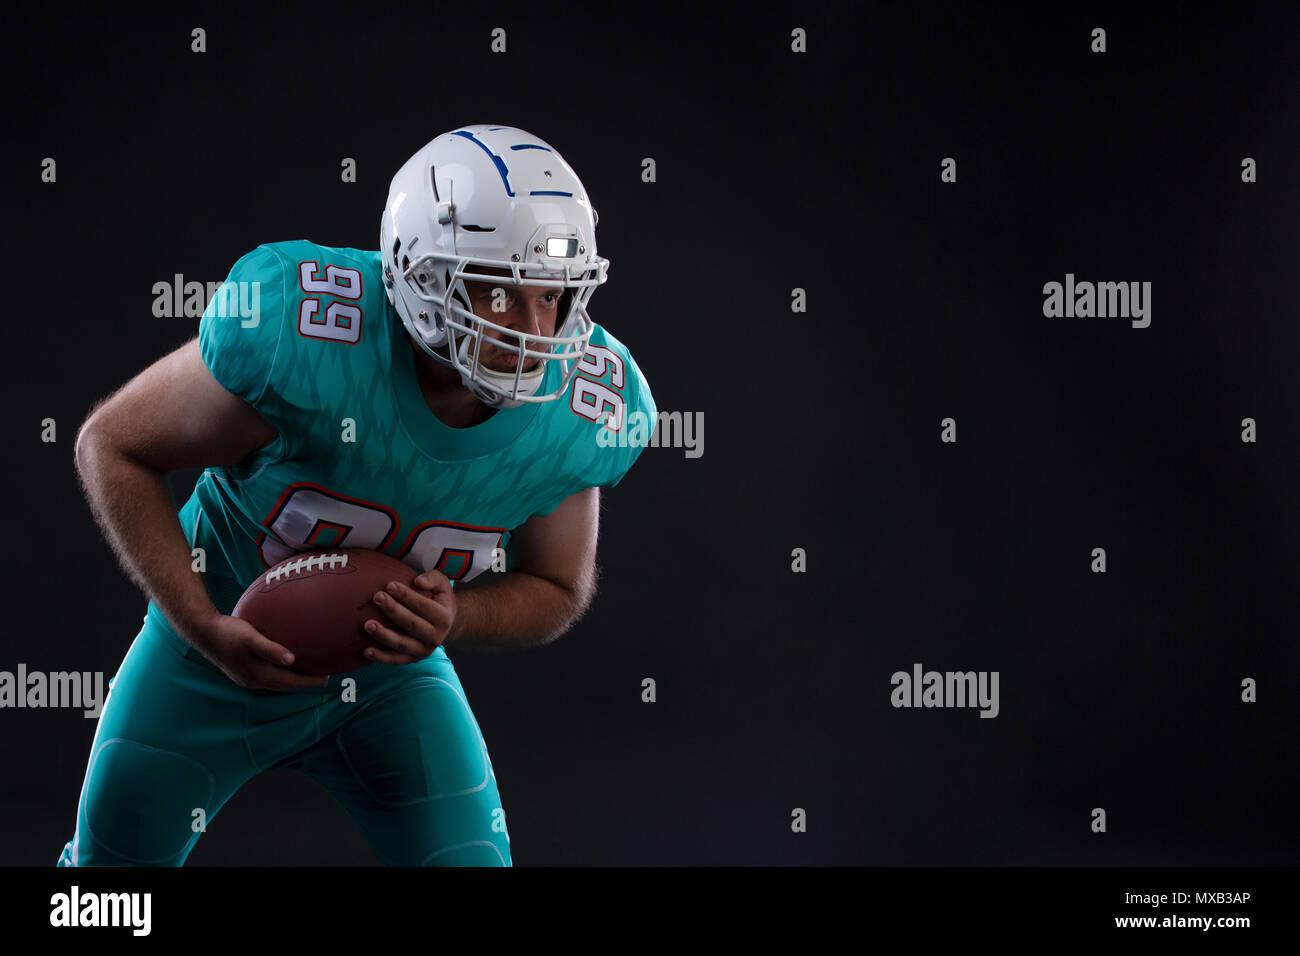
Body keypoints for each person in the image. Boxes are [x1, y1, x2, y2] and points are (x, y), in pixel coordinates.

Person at [57, 124, 654, 866]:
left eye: (554, 295)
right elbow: (111, 445)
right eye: (500, 295)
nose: (535, 332)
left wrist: (455, 616)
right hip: (207, 656)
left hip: (387, 680)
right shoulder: (305, 337)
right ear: (422, 277)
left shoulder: (582, 408)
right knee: (107, 893)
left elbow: (558, 585)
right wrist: (201, 624)